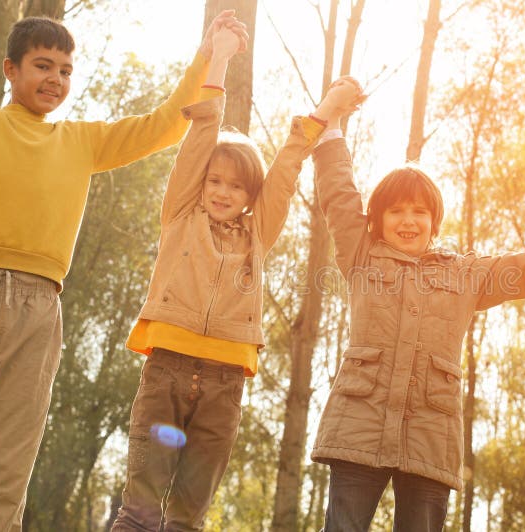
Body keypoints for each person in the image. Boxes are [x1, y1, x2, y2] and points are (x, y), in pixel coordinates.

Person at [309, 77, 525, 531]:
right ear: (378, 220)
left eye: (420, 212)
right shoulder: (362, 256)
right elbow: (338, 193)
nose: (408, 221)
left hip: (430, 432)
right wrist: (331, 125)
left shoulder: (464, 273)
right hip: (359, 423)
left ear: (434, 222)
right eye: (397, 211)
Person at [0, 11, 248, 530]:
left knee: (7, 460)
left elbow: (168, 122)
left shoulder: (81, 141)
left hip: (38, 305)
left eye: (64, 70)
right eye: (42, 66)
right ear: (10, 70)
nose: (55, 79)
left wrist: (210, 54)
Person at [109, 30, 363, 532]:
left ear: (251, 195)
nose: (223, 192)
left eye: (237, 185)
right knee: (138, 511)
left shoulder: (256, 235)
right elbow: (202, 133)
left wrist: (327, 110)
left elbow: (288, 165)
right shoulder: (181, 214)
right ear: (200, 183)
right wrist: (220, 58)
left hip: (225, 384)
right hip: (167, 369)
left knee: (188, 516)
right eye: (214, 180)